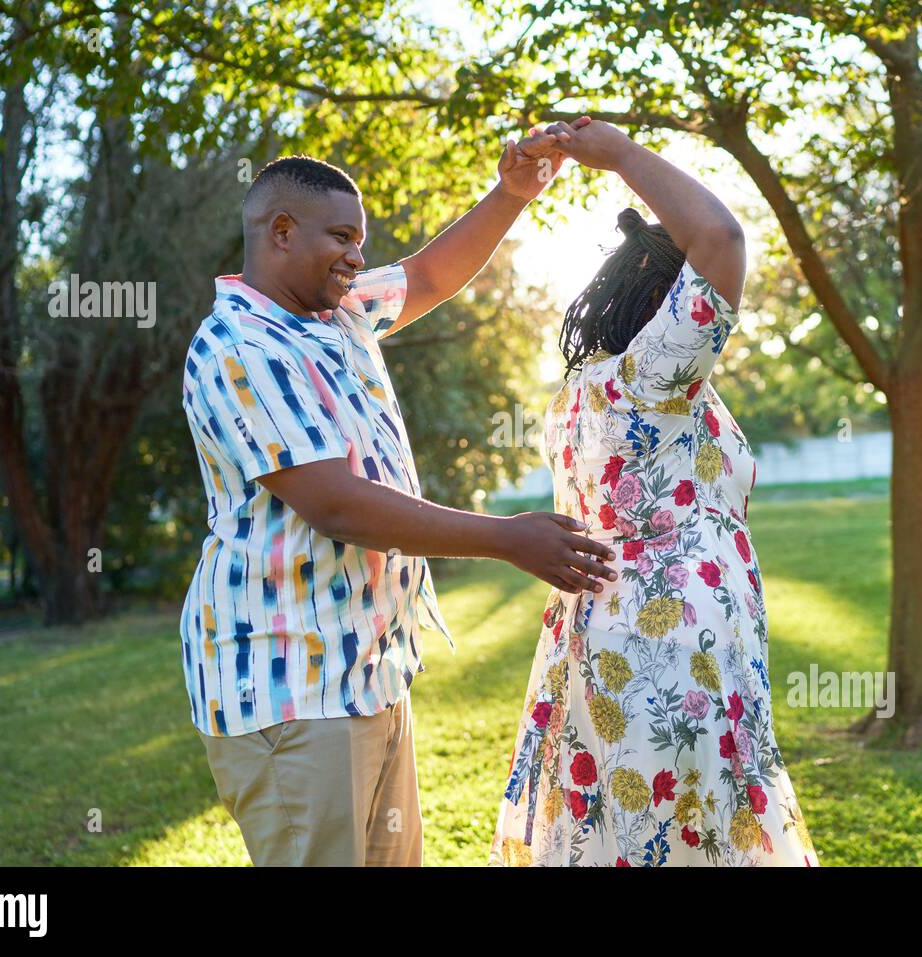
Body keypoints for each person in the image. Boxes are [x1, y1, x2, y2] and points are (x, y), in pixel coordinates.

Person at [179, 134, 617, 867]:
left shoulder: (337, 315)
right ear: (281, 233)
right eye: (342, 237)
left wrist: (510, 194)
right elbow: (339, 506)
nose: (356, 255)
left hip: (363, 674)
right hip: (289, 684)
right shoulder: (237, 345)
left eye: (362, 239)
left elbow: (428, 274)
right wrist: (509, 537)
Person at [490, 118, 820, 866]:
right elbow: (723, 241)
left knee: (623, 834)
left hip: (623, 654)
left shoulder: (588, 387)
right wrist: (621, 156)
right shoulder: (651, 380)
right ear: (673, 302)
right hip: (667, 667)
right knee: (674, 836)